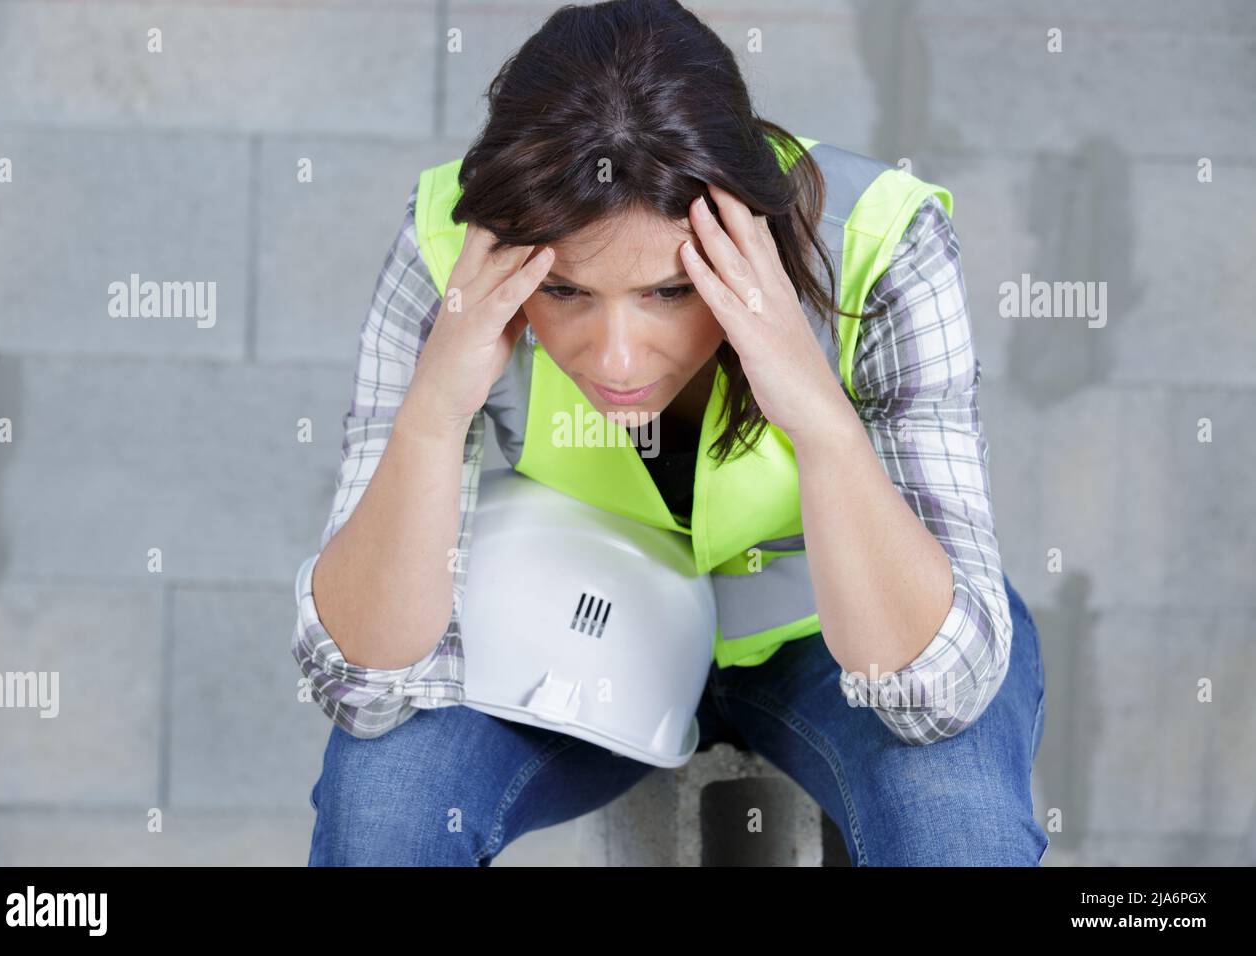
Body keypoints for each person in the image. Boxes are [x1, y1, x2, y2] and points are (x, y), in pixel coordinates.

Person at [293, 0, 1048, 866]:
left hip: (826, 637)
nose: (616, 357)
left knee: (960, 829)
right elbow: (361, 687)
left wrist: (816, 413)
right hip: (575, 629)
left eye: (669, 291)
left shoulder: (883, 243)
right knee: (382, 804)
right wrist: (431, 418)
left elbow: (939, 691)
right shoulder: (455, 245)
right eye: (568, 292)